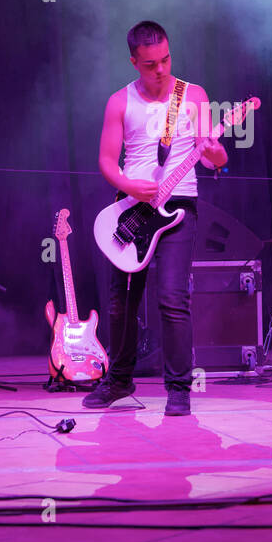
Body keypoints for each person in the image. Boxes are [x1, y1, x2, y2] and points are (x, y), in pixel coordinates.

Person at [83, 21, 228, 417]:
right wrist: (130, 186)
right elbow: (106, 161)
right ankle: (119, 379)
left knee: (171, 299)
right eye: (150, 64)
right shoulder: (119, 102)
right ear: (134, 62)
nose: (161, 69)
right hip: (132, 208)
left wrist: (214, 151)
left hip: (179, 209)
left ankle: (178, 389)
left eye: (165, 59)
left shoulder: (193, 95)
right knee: (119, 303)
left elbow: (216, 158)